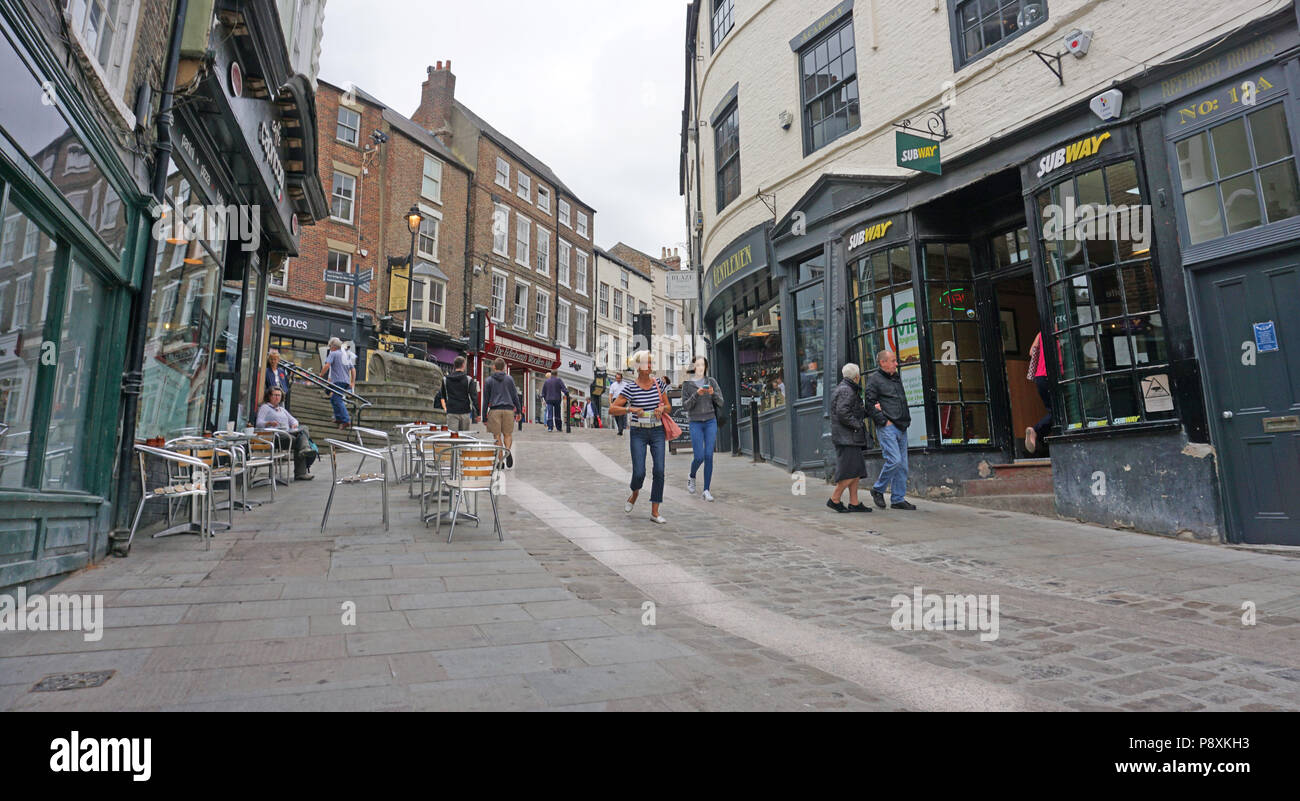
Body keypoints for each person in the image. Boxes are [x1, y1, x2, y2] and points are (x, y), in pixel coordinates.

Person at [609, 350, 669, 524]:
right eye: (646, 363)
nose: (650, 366)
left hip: (657, 430)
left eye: (651, 363)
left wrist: (662, 409)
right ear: (638, 367)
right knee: (639, 472)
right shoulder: (631, 387)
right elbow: (613, 409)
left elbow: (669, 407)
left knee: (659, 470)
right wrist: (630, 409)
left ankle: (655, 512)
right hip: (638, 432)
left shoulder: (659, 383)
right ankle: (634, 493)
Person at [864, 350, 916, 511]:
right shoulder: (874, 380)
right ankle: (878, 489)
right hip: (888, 427)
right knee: (894, 460)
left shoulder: (895, 376)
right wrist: (883, 421)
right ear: (882, 362)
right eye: (893, 361)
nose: (896, 363)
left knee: (903, 466)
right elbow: (869, 404)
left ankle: (898, 499)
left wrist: (905, 420)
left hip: (902, 425)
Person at [827, 363, 871, 513]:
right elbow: (843, 413)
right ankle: (834, 499)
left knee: (856, 470)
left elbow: (851, 411)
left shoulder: (845, 388)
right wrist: (858, 425)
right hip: (847, 437)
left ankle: (854, 502)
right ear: (857, 377)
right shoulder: (847, 390)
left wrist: (866, 412)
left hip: (847, 437)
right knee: (850, 471)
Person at [682, 355, 724, 502]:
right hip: (695, 423)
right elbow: (685, 406)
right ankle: (692, 476)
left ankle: (706, 490)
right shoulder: (687, 385)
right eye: (697, 365)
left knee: (709, 455)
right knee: (699, 456)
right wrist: (696, 394)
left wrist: (713, 394)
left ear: (706, 367)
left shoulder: (711, 381)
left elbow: (721, 402)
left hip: (710, 421)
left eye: (702, 365)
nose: (700, 368)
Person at [256, 387, 315, 480]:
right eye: (275, 395)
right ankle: (301, 470)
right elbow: (258, 423)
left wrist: (294, 425)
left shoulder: (282, 409)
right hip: (276, 437)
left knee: (304, 428)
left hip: (288, 434)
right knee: (300, 440)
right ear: (269, 396)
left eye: (279, 395)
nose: (277, 397)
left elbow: (294, 420)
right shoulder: (265, 407)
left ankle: (304, 449)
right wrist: (268, 423)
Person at [483, 357, 522, 468]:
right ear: (504, 367)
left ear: (494, 367)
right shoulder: (509, 379)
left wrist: (484, 417)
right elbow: (515, 396)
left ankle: (501, 462)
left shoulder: (489, 380)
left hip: (495, 410)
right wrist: (519, 411)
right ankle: (507, 452)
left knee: (497, 436)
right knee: (508, 434)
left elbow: (486, 400)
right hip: (509, 410)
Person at [1025, 331, 1054, 455]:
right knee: (1061, 412)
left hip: (1040, 377)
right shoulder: (1062, 331)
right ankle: (1037, 432)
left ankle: (1040, 438)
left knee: (1054, 411)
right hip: (1054, 375)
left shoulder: (1041, 334)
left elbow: (1032, 352)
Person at [435, 356, 479, 431]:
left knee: (453, 436)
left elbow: (443, 396)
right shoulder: (468, 380)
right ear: (463, 365)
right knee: (464, 437)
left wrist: (446, 407)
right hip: (465, 411)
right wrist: (477, 413)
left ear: (454, 365)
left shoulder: (445, 380)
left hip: (452, 411)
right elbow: (474, 397)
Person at [319, 337, 354, 429]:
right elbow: (353, 369)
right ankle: (338, 418)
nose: (329, 348)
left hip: (338, 381)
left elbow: (327, 365)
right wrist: (352, 382)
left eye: (330, 346)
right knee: (333, 399)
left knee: (337, 399)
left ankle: (346, 420)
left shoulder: (333, 353)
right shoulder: (345, 355)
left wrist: (321, 375)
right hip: (344, 381)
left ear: (333, 346)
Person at [609, 371, 628, 435]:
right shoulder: (613, 385)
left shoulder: (625, 384)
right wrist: (610, 403)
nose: (618, 379)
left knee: (621, 415)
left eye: (619, 378)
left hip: (622, 400)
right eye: (617, 378)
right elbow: (610, 394)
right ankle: (620, 428)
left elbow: (628, 393)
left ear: (621, 378)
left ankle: (620, 430)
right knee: (616, 416)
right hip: (615, 400)